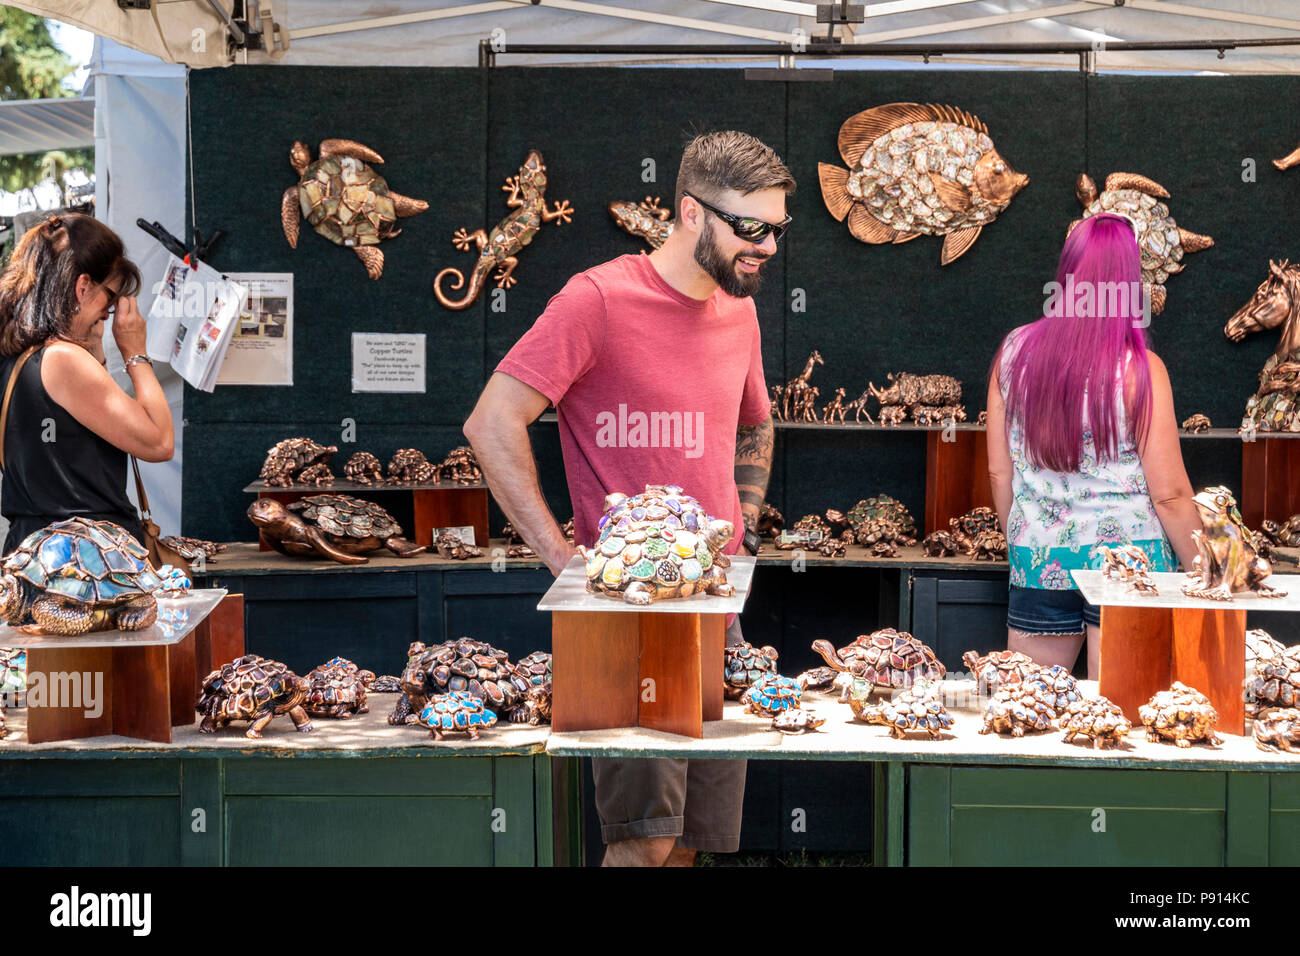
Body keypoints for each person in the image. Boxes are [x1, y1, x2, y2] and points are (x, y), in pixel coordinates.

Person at [464, 131, 791, 866]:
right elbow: (490, 423)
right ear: (690, 213)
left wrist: (741, 530)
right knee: (644, 845)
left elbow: (755, 427)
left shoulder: (738, 312)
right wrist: (563, 562)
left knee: (691, 847)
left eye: (776, 230)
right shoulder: (599, 300)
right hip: (625, 621)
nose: (766, 245)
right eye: (750, 227)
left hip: (716, 614)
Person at [985, 213, 1202, 680]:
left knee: (1030, 718)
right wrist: (1211, 577)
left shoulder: (1012, 352)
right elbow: (1170, 496)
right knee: (1124, 725)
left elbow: (1000, 474)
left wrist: (1026, 543)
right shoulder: (1139, 369)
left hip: (1039, 558)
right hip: (1129, 566)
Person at [0, 214, 174, 554]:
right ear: (83, 287)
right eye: (109, 298)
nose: (108, 314)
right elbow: (159, 442)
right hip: (83, 567)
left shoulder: (15, 357)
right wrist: (136, 353)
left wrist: (95, 351)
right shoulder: (63, 360)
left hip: (34, 557)